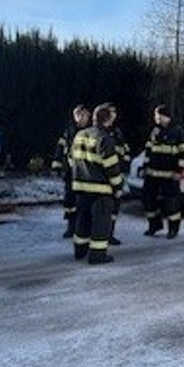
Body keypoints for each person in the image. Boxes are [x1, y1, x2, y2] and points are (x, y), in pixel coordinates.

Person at [70, 104, 125, 264]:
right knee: (101, 221)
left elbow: (72, 159)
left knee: (83, 218)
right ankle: (97, 254)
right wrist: (118, 187)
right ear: (108, 119)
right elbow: (111, 167)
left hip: (80, 186)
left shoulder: (80, 134)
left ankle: (80, 250)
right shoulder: (104, 138)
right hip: (100, 189)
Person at [141, 104, 184, 239]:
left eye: (157, 115)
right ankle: (154, 225)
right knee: (148, 200)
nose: (155, 118)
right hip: (152, 173)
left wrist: (179, 171)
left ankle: (173, 229)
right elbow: (148, 150)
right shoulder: (155, 131)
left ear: (165, 116)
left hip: (170, 174)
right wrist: (145, 167)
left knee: (172, 203)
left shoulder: (178, 131)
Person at [52, 104, 91, 239]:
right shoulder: (69, 131)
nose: (81, 117)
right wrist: (57, 165)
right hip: (71, 171)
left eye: (84, 115)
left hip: (86, 172)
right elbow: (61, 148)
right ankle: (71, 226)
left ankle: (84, 226)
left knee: (84, 200)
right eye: (78, 115)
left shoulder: (91, 132)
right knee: (70, 199)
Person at [102, 102, 129, 246]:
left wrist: (123, 169)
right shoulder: (100, 132)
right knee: (102, 208)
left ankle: (110, 234)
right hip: (103, 176)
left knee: (114, 207)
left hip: (117, 173)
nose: (113, 115)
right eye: (110, 112)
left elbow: (124, 151)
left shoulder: (117, 132)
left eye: (114, 112)